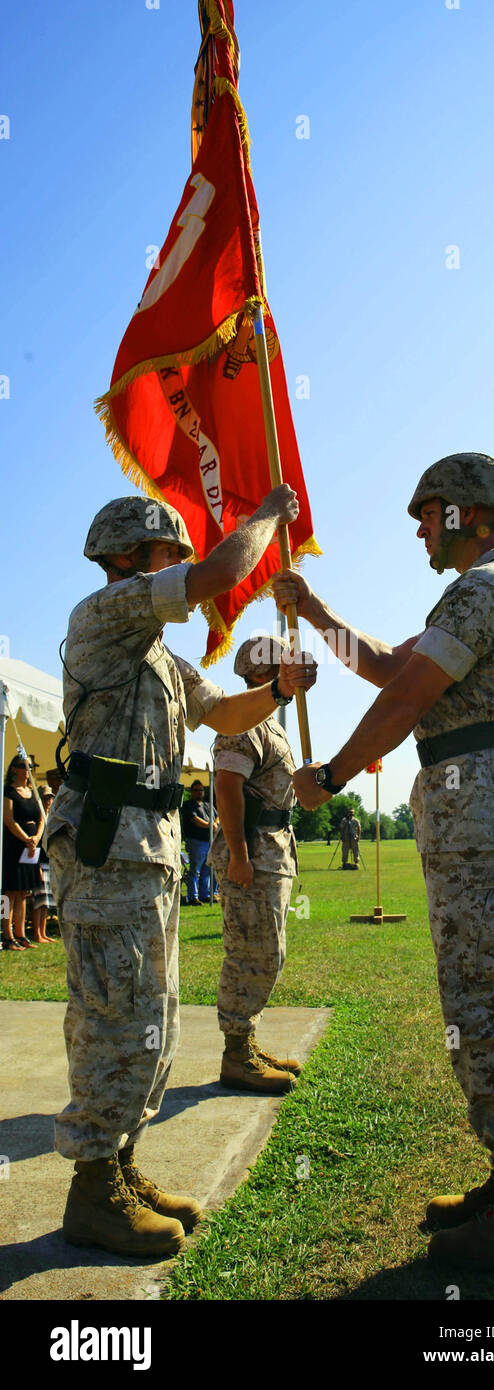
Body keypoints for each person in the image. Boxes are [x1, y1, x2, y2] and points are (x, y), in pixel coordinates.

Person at [274, 452, 494, 1271]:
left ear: (467, 513)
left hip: (491, 811)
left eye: (427, 511)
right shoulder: (477, 591)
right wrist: (316, 607)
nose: (416, 527)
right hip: (481, 811)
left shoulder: (489, 588)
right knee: (479, 1001)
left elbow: (404, 699)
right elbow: (385, 665)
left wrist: (330, 775)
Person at [45, 488, 315, 1259]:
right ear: (128, 559)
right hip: (108, 845)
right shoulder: (102, 618)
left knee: (154, 1019)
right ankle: (92, 1189)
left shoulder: (161, 657)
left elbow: (227, 716)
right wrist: (270, 512)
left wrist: (278, 692)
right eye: (170, 552)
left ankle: (122, 1168)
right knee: (113, 1014)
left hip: (149, 845)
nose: (183, 566)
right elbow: (223, 568)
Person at [209, 634, 316, 1094]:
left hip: (273, 850)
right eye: (281, 663)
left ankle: (246, 1042)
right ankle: (237, 1055)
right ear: (260, 670)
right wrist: (239, 856)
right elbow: (227, 788)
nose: (290, 670)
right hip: (251, 854)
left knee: (268, 953)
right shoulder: (243, 720)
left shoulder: (270, 721)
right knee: (251, 953)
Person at [2, 754, 44, 950]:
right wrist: (26, 839)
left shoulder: (32, 792)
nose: (26, 770)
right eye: (22, 766)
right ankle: (8, 935)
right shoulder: (8, 792)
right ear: (13, 769)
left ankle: (21, 934)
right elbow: (9, 820)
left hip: (31, 846)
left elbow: (42, 818)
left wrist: (36, 837)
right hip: (14, 845)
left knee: (23, 892)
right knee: (9, 893)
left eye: (29, 766)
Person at [181, 780, 216, 904]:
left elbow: (217, 816)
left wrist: (215, 823)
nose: (199, 792)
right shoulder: (188, 805)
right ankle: (192, 896)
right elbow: (194, 819)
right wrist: (210, 825)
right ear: (191, 792)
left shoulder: (208, 805)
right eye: (196, 790)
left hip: (209, 841)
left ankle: (205, 894)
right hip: (196, 841)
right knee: (195, 870)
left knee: (207, 869)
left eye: (201, 790)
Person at [31, 785, 57, 944]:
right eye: (46, 797)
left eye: (51, 797)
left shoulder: (51, 816)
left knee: (46, 901)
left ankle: (43, 931)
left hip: (50, 861)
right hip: (39, 861)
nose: (49, 800)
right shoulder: (38, 818)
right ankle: (36, 933)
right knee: (39, 900)